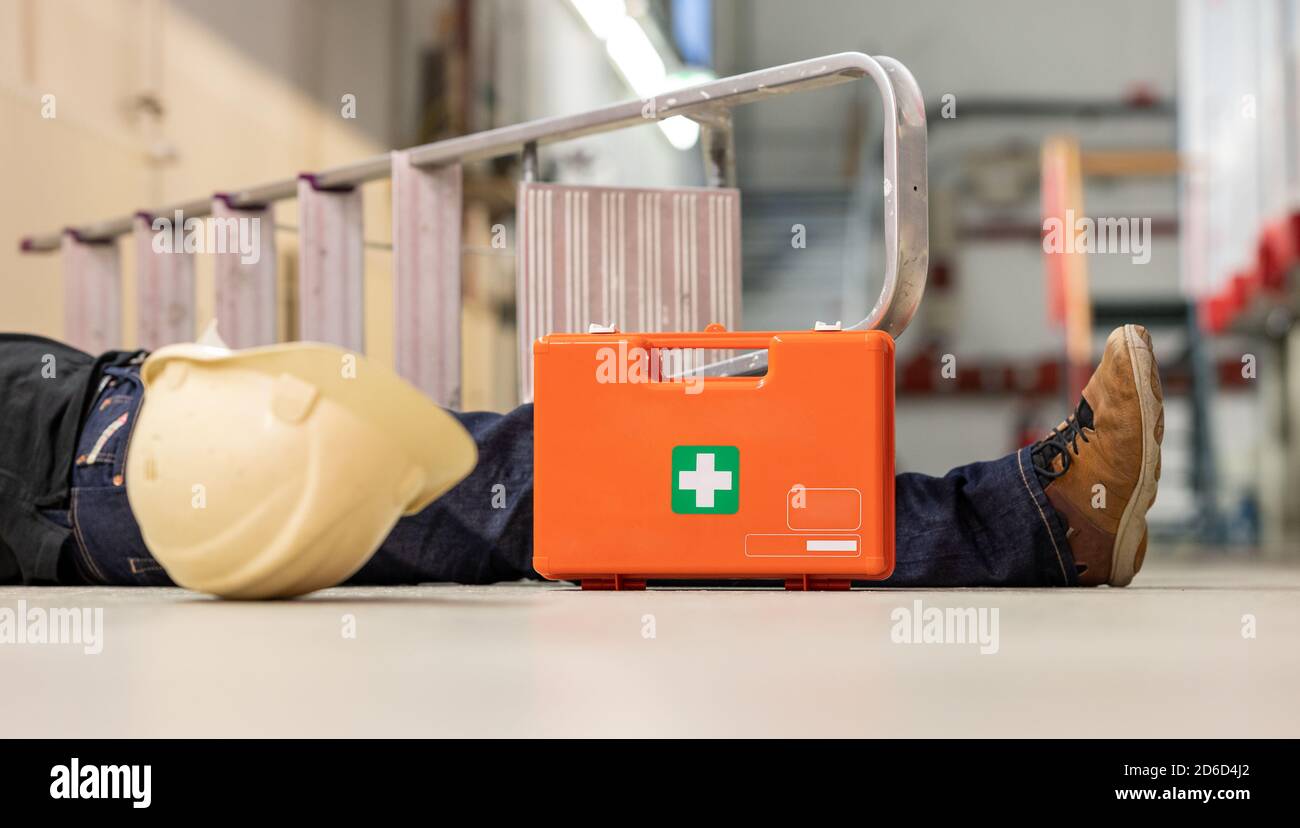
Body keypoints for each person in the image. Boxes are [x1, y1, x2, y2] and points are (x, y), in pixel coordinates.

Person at [0, 324, 1163, 589]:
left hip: (142, 422)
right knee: (593, 487)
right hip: (129, 469)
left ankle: (1038, 523)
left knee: (581, 500)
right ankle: (1043, 523)